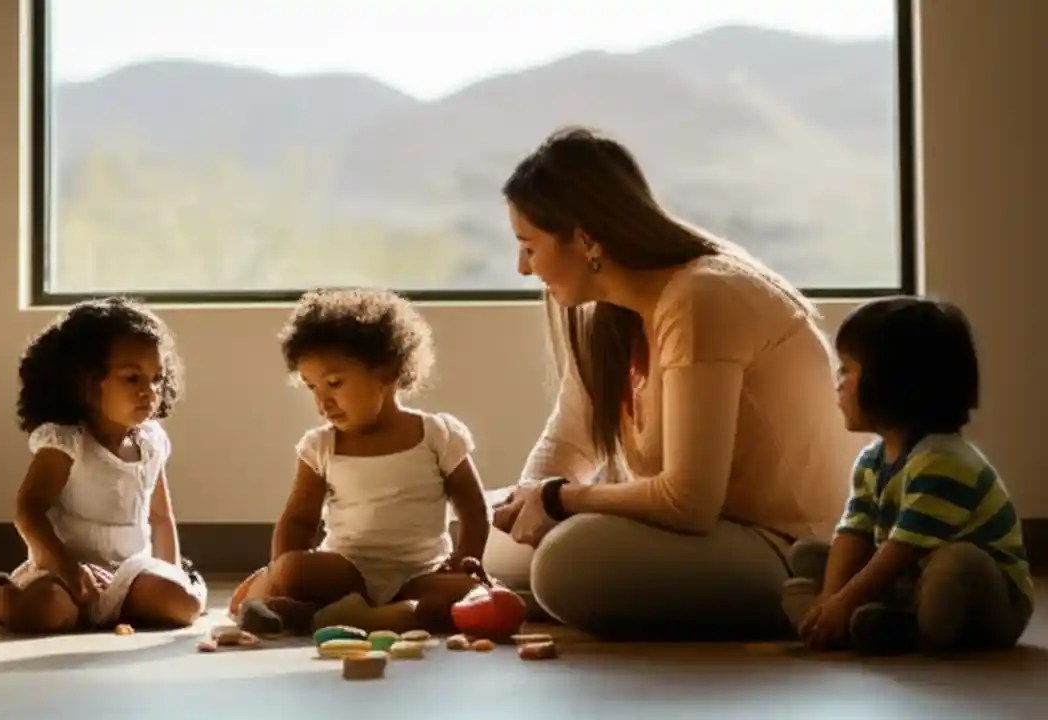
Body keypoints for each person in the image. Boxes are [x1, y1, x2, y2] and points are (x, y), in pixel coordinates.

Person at [483, 126, 853, 639]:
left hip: (789, 549)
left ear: (585, 237)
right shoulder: (607, 310)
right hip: (700, 536)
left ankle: (808, 603)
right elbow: (569, 441)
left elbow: (690, 501)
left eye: (529, 246)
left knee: (567, 563)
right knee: (478, 529)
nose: (522, 268)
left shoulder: (701, 297)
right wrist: (525, 509)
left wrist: (559, 501)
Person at [228, 288, 491, 635]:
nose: (324, 402)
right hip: (347, 571)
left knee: (473, 595)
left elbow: (472, 508)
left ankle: (342, 615)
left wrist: (464, 563)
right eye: (312, 387)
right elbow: (299, 520)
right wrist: (286, 570)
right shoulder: (321, 445)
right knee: (294, 571)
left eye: (334, 383)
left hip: (420, 574)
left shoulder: (438, 434)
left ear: (388, 371)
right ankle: (319, 605)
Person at [782, 297, 1033, 654]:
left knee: (957, 563)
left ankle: (911, 633)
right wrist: (829, 597)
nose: (838, 382)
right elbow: (854, 531)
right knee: (806, 558)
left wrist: (844, 600)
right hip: (909, 582)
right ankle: (861, 625)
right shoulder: (872, 459)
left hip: (982, 603)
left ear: (893, 381)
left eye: (847, 370)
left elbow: (902, 550)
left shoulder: (944, 460)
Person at [0, 297, 207, 633]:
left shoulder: (151, 442)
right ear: (87, 384)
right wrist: (66, 567)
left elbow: (160, 517)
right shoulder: (66, 442)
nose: (150, 392)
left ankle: (163, 593)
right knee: (44, 614)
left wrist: (170, 576)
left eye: (157, 379)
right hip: (63, 571)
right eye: (132, 378)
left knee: (182, 604)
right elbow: (29, 510)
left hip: (129, 573)